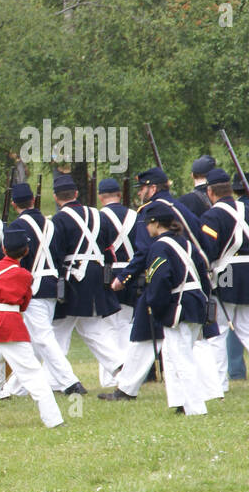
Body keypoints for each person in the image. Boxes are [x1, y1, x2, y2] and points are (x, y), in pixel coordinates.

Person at [103, 167, 213, 405]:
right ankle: (209, 388)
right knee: (188, 339)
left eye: (142, 188)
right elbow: (203, 241)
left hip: (167, 284)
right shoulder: (181, 207)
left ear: (152, 188)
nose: (141, 192)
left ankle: (128, 389)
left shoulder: (150, 212)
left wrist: (124, 278)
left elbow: (146, 251)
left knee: (150, 334)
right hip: (194, 276)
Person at [0, 226, 66, 430]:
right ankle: (54, 420)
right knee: (33, 375)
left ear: (3, 248)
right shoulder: (25, 275)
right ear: (26, 251)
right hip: (11, 326)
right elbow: (24, 304)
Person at [3, 182, 85, 396]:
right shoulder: (51, 223)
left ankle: (70, 382)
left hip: (32, 288)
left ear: (14, 204)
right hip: (51, 285)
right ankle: (15, 388)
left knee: (43, 339)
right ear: (33, 200)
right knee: (30, 341)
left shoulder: (17, 226)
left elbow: (16, 260)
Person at [199, 168, 249, 381]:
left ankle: (218, 382)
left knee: (219, 329)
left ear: (210, 192)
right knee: (248, 328)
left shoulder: (212, 216)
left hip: (227, 275)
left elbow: (208, 249)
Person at [48, 174, 124, 385]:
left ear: (56, 197)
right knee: (92, 329)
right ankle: (121, 367)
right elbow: (109, 250)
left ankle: (58, 381)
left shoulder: (58, 220)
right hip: (97, 275)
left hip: (73, 278)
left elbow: (56, 254)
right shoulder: (99, 215)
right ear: (76, 194)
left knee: (59, 331)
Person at [97, 178, 138, 385]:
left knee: (108, 326)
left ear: (100, 197)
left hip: (108, 274)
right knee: (125, 324)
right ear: (119, 195)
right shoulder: (135, 216)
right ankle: (127, 372)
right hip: (131, 273)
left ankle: (111, 377)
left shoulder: (98, 217)